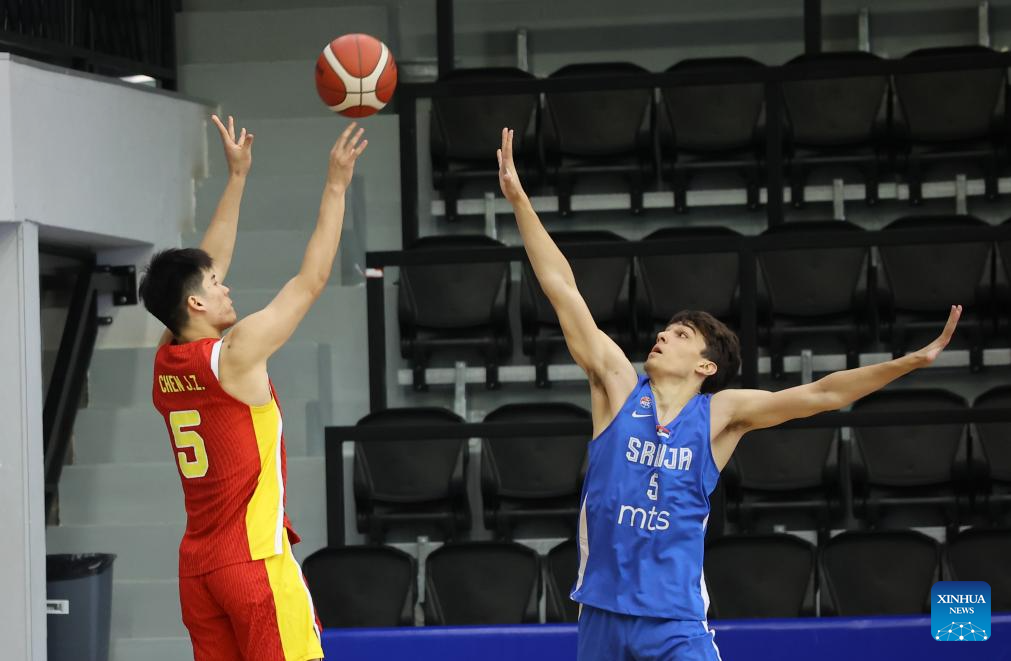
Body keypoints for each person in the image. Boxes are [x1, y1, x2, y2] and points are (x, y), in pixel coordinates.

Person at [495, 127, 961, 661]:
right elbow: (563, 288)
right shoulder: (618, 385)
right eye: (665, 330)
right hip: (601, 613)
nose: (663, 335)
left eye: (681, 335)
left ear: (705, 365)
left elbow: (823, 393)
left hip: (674, 624)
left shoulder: (720, 413)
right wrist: (519, 200)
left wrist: (908, 362)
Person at [140, 115, 367, 661]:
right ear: (195, 304)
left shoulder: (165, 361)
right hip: (253, 564)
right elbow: (310, 281)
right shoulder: (236, 356)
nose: (225, 284)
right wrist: (336, 185)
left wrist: (238, 178)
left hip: (197, 570)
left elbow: (205, 263)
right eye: (216, 286)